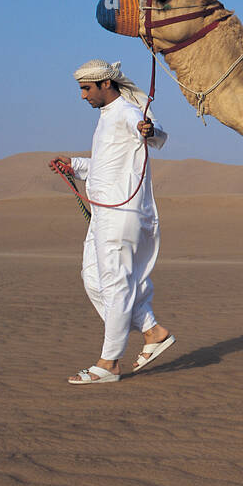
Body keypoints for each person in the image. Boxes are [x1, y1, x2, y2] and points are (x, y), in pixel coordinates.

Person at [50, 60, 174, 384]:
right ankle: (152, 331)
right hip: (102, 215)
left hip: (122, 214)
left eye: (86, 89)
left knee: (116, 284)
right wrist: (75, 165)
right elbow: (106, 165)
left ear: (106, 84)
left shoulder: (129, 113)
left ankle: (109, 363)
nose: (82, 96)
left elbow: (156, 135)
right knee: (93, 278)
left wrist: (150, 131)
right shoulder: (106, 118)